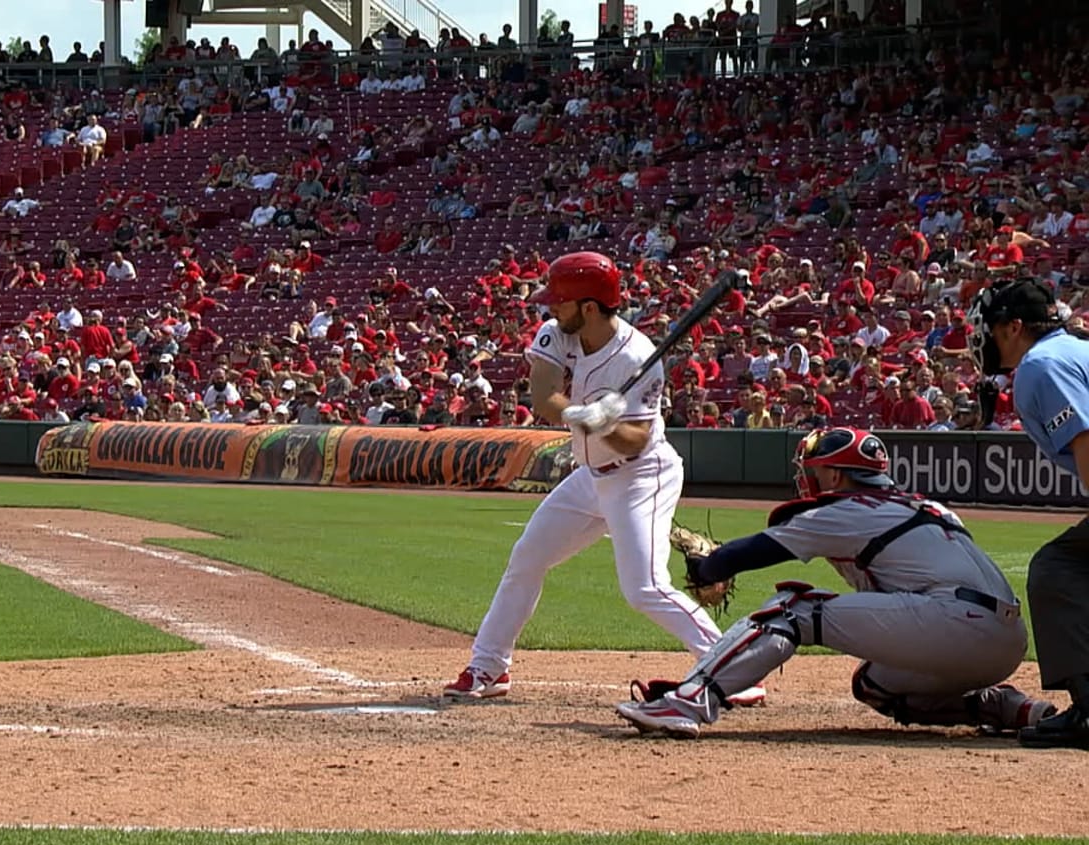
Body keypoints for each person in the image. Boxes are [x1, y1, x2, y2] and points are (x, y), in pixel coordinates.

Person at [443, 253, 765, 707]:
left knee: (645, 588)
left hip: (641, 476)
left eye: (561, 301)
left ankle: (731, 666)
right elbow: (542, 394)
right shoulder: (557, 332)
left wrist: (607, 425)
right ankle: (489, 666)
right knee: (527, 559)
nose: (551, 308)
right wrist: (581, 415)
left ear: (589, 307)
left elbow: (634, 441)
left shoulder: (638, 357)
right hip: (590, 475)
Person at [615, 427, 1056, 739]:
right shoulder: (927, 506)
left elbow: (747, 555)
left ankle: (688, 702)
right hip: (1007, 640)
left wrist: (703, 566)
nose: (807, 477)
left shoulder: (848, 509)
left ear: (837, 475)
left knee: (793, 609)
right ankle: (1006, 706)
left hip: (954, 622)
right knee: (876, 683)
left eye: (816, 469)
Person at [968, 278, 1089, 748]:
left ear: (1014, 327)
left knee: (1058, 568)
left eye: (993, 328)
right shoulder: (1074, 349)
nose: (985, 337)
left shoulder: (1041, 365)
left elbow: (1085, 439)